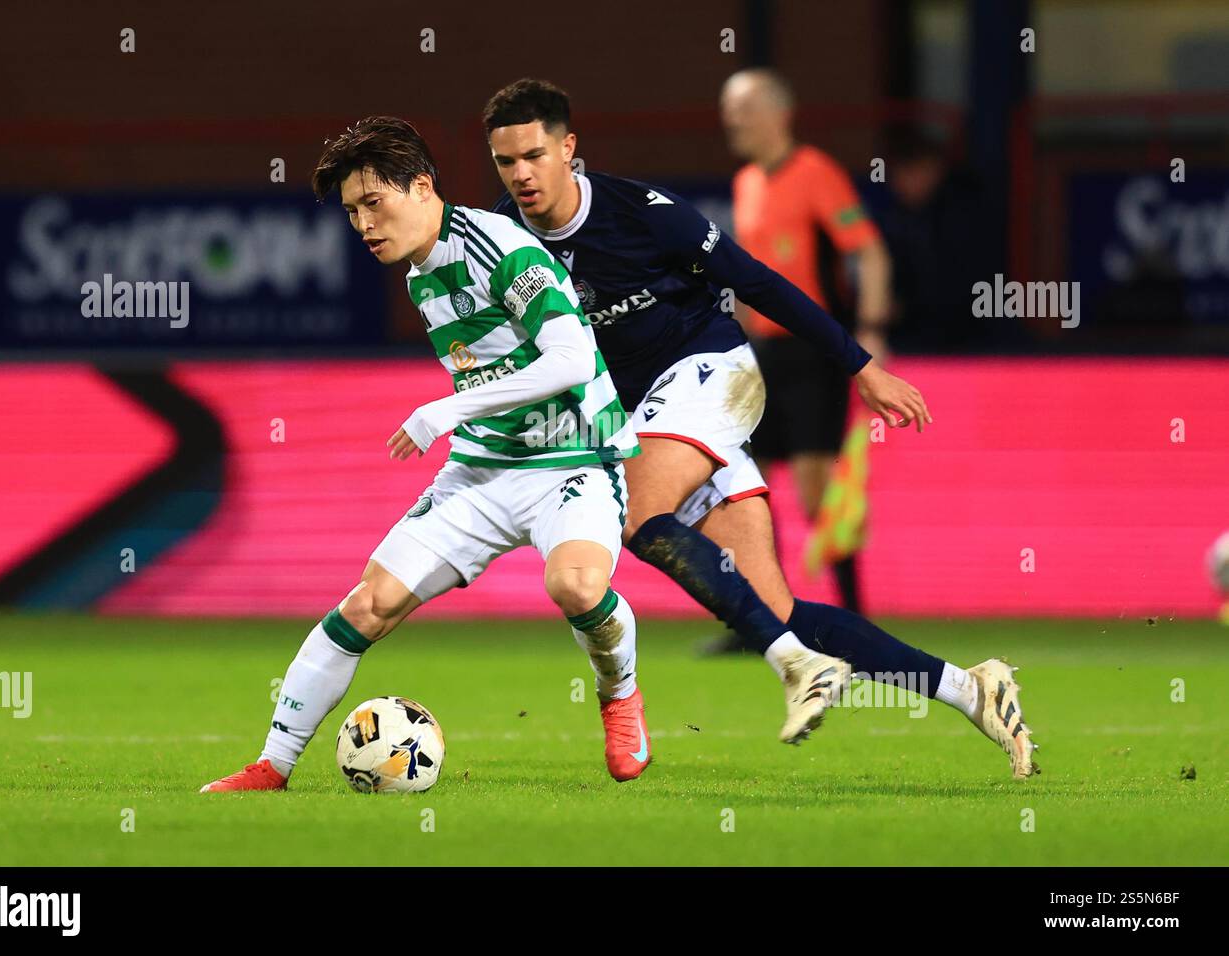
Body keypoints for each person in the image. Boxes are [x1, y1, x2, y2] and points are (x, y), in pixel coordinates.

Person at [483, 79, 1038, 778]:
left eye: (534, 154)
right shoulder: (504, 235)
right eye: (506, 162)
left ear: (569, 149)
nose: (522, 174)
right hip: (647, 414)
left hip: (712, 371)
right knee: (776, 608)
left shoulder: (646, 215)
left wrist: (860, 363)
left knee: (636, 512)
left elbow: (762, 284)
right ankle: (971, 687)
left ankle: (795, 667)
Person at [202, 116, 649, 791]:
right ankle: (273, 764)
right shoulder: (419, 274)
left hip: (574, 458)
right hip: (482, 471)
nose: (363, 225)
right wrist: (465, 417)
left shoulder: (498, 245)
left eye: (373, 203)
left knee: (576, 586)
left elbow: (571, 356)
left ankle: (620, 694)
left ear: (420, 187)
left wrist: (447, 408)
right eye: (352, 212)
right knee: (366, 606)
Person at [721, 68, 893, 617]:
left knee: (817, 493)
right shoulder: (746, 181)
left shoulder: (816, 173)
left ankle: (856, 615)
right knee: (750, 493)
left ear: (779, 112)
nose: (733, 120)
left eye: (744, 108)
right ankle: (759, 617)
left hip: (814, 353)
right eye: (730, 109)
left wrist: (871, 331)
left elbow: (869, 252)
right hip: (762, 356)